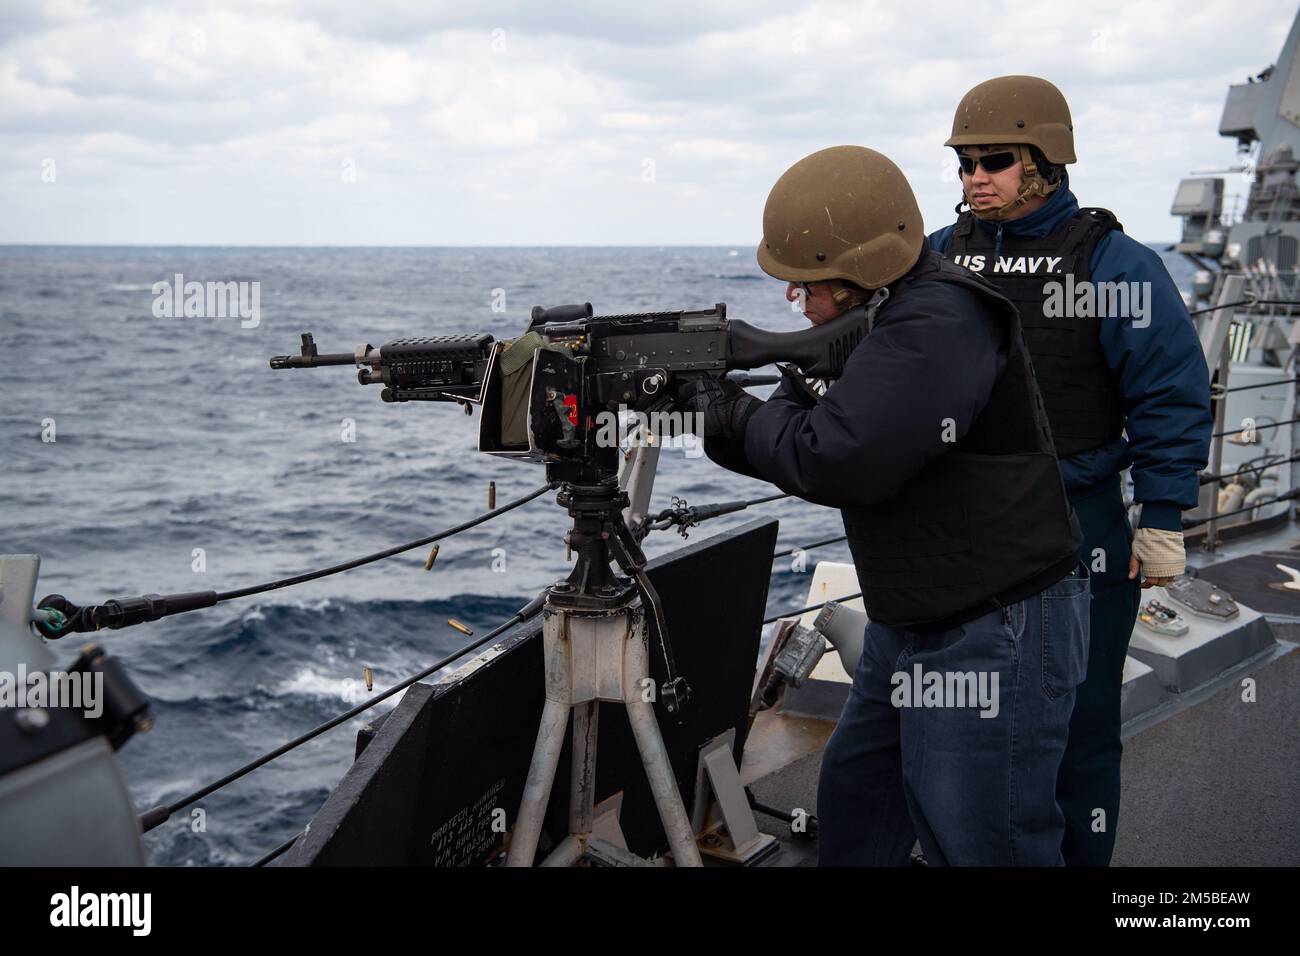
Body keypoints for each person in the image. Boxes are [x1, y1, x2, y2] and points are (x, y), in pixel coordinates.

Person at [676, 145, 1089, 865]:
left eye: (807, 283)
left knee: (984, 839)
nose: (794, 298)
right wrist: (704, 410)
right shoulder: (875, 318)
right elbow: (788, 439)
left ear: (862, 270)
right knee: (858, 815)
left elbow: (838, 457)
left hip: (994, 624)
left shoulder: (940, 321)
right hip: (914, 618)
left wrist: (734, 411)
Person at [929, 75, 1213, 866]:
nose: (974, 177)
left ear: (1044, 162)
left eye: (994, 161)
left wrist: (1162, 515)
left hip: (1075, 522)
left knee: (1079, 726)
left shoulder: (1114, 264)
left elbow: (1169, 391)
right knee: (955, 721)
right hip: (960, 523)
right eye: (964, 163)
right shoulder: (939, 255)